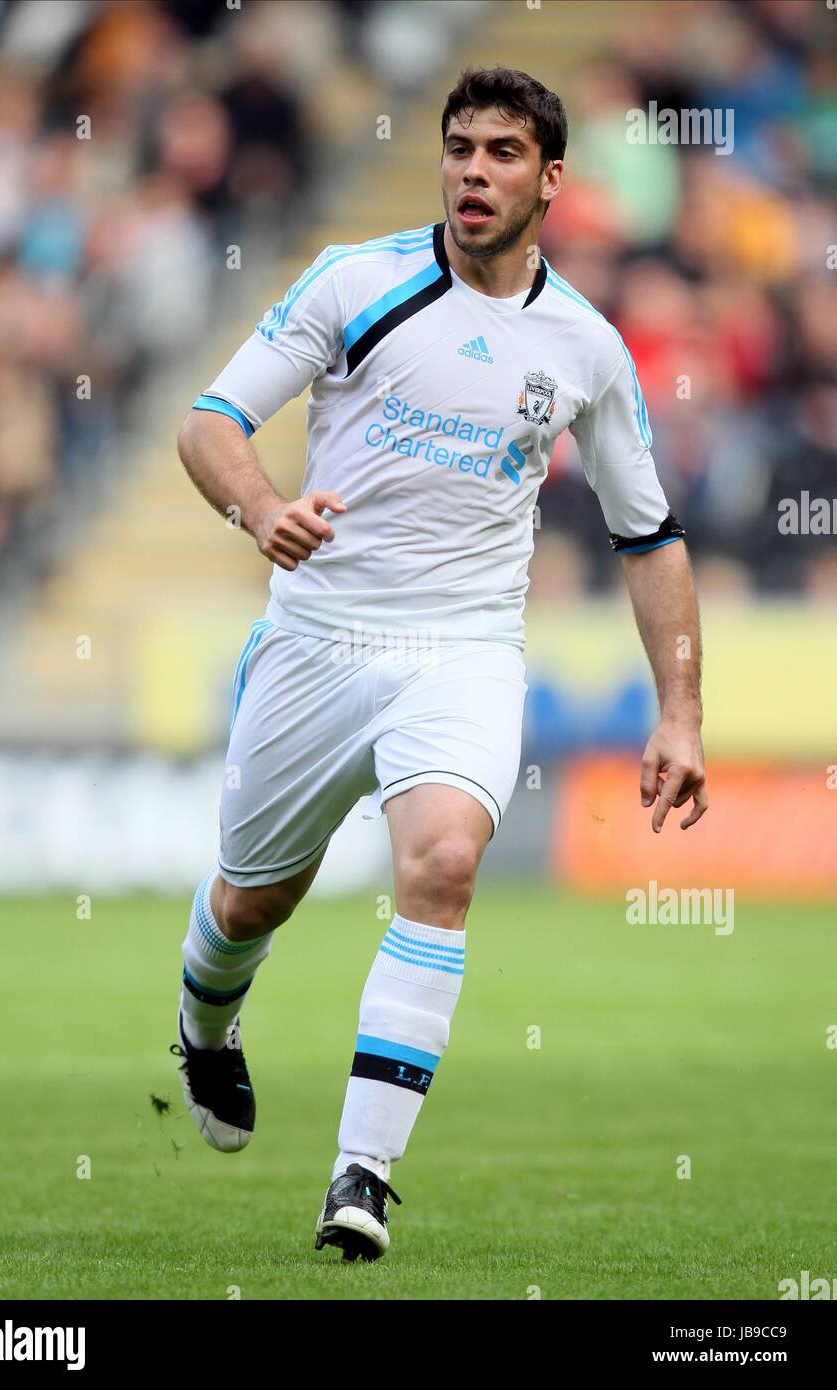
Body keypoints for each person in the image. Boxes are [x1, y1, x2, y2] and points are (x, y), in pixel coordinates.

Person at [171, 65, 708, 1263]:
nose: (473, 170)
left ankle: (361, 1175)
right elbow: (210, 422)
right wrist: (261, 510)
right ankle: (205, 1026)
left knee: (447, 860)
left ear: (551, 179)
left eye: (503, 152)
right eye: (459, 147)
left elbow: (649, 535)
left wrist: (681, 710)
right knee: (253, 897)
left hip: (463, 649)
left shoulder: (585, 346)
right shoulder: (354, 281)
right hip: (317, 638)